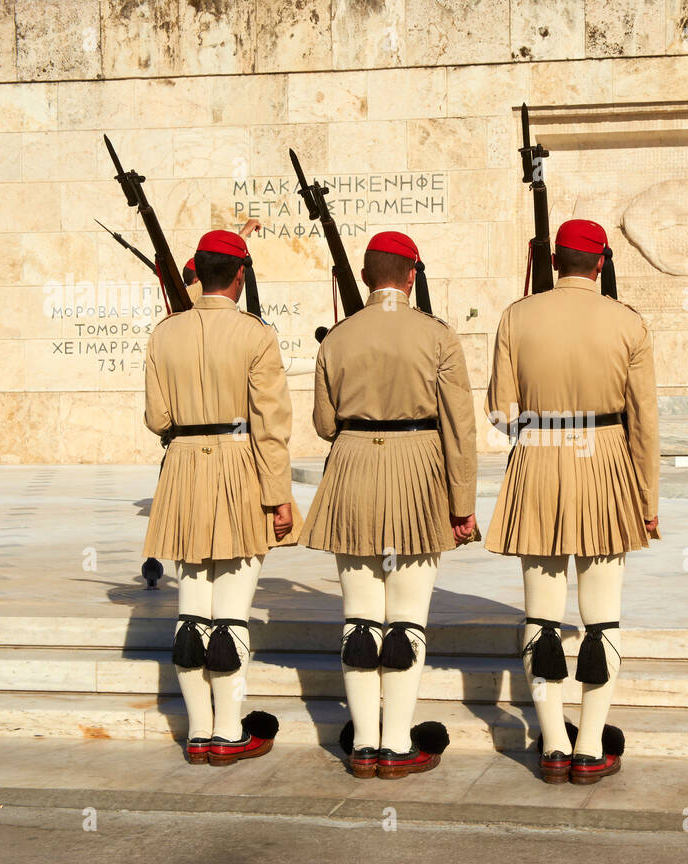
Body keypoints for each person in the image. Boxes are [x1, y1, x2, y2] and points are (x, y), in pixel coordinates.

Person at [484, 218, 660, 784]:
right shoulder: (627, 322)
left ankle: (553, 744)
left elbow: (500, 413)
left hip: (538, 458)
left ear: (554, 261)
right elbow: (645, 423)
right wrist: (647, 497)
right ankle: (589, 747)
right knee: (601, 619)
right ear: (601, 263)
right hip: (606, 460)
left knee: (541, 616)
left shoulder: (518, 315)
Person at [301, 231, 478, 780]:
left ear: (365, 277)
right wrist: (463, 501)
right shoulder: (437, 336)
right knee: (407, 619)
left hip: (353, 468)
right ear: (410, 275)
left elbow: (324, 424)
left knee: (358, 619)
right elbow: (459, 427)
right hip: (419, 469)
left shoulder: (337, 338)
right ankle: (396, 744)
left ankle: (364, 746)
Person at [143, 228, 301, 764]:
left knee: (192, 609)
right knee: (231, 611)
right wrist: (279, 495)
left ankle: (197, 733)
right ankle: (229, 732)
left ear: (197, 271)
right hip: (238, 467)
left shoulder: (164, 333)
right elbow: (271, 424)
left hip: (185, 467)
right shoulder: (256, 334)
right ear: (240, 275)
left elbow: (156, 419)